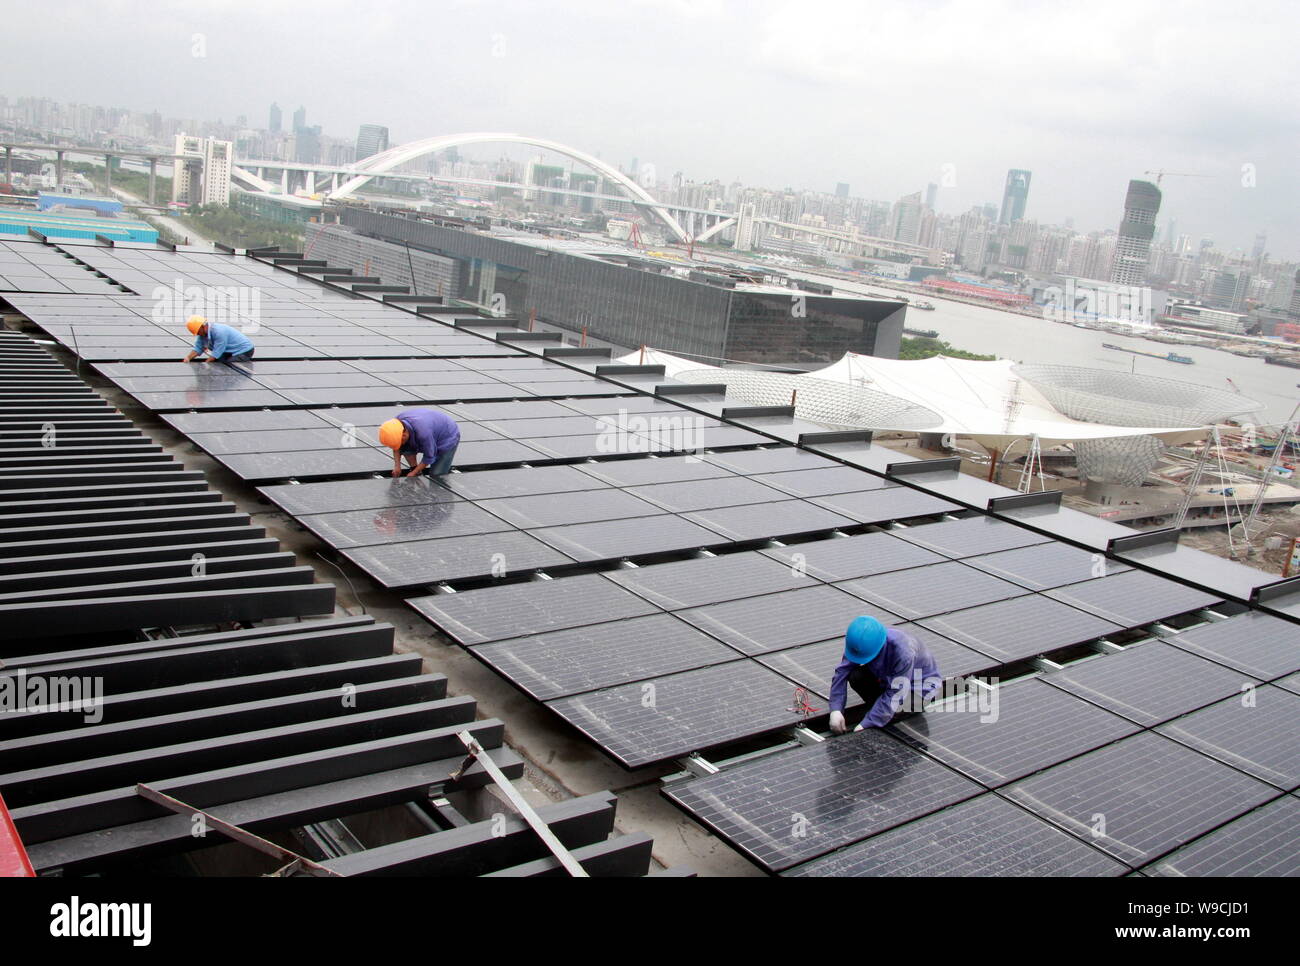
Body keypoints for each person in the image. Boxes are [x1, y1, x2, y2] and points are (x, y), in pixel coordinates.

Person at [828, 616, 942, 734]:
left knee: (888, 711)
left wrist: (868, 723)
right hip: (888, 680)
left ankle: (884, 714)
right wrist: (835, 709)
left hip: (916, 690)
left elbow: (896, 693)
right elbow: (842, 672)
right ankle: (881, 710)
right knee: (856, 676)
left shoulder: (903, 653)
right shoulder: (860, 644)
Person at [378, 408, 461, 478]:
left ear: (404, 434)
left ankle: (440, 493)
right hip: (428, 425)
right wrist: (397, 466)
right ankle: (415, 470)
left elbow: (429, 457)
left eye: (400, 442)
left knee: (437, 475)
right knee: (405, 447)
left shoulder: (424, 434)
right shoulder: (395, 425)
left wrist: (413, 473)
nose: (400, 445)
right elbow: (396, 447)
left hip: (447, 435)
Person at [183, 315, 255, 364]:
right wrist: (188, 358)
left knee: (228, 366)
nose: (198, 334)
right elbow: (198, 347)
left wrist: (205, 365)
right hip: (229, 352)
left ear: (203, 326)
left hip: (244, 351)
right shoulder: (202, 334)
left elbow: (216, 353)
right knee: (219, 363)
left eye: (198, 332)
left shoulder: (219, 332)